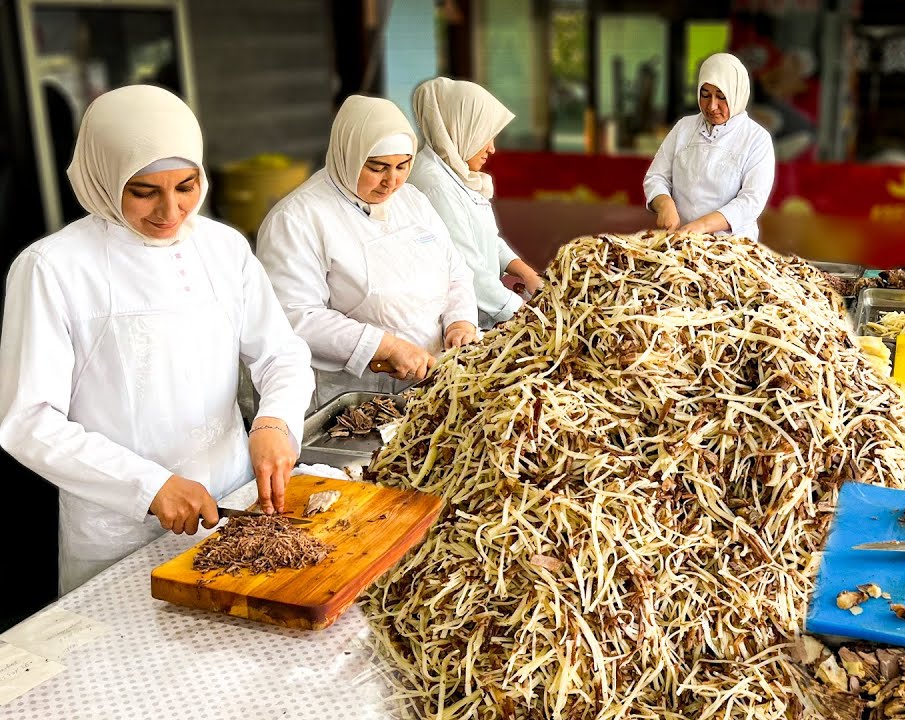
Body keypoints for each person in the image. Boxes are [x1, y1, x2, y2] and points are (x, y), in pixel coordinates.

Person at [0, 85, 315, 595]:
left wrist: (276, 420)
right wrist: (150, 487)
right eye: (144, 191)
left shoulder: (223, 248)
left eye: (187, 186)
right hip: (118, 527)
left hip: (235, 501)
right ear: (104, 178)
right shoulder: (52, 268)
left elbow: (280, 353)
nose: (170, 212)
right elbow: (29, 421)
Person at [256, 95, 479, 408]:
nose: (392, 181)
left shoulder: (412, 200)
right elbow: (295, 315)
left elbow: (455, 270)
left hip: (433, 379)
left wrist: (460, 322)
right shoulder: (298, 218)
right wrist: (384, 347)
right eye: (377, 168)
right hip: (350, 395)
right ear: (349, 155)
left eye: (403, 166)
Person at [407, 77, 543, 329]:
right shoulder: (434, 184)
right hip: (455, 324)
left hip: (478, 315)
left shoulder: (458, 174)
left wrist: (526, 273)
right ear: (460, 129)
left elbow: (487, 240)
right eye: (485, 137)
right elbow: (467, 266)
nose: (492, 149)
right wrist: (524, 314)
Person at [643, 53, 776, 241]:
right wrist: (665, 204)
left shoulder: (756, 139)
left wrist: (701, 226)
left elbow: (751, 202)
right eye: (705, 95)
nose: (712, 106)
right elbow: (656, 177)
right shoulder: (684, 128)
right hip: (680, 244)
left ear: (737, 94)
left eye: (721, 97)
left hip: (732, 249)